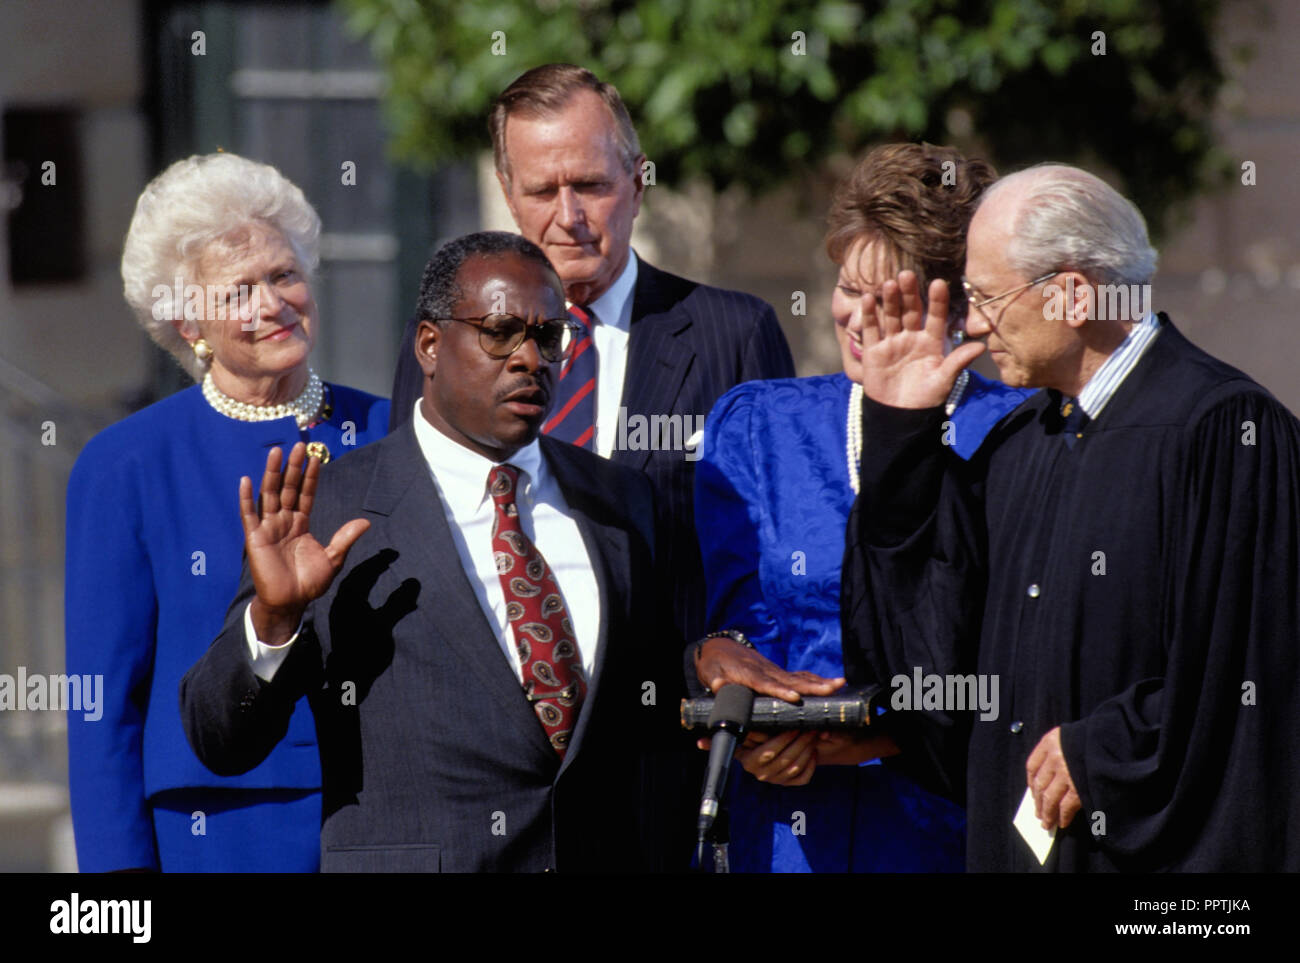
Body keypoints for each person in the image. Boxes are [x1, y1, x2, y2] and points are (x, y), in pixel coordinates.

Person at [841, 163, 1300, 871]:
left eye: (987, 296)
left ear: (1073, 294)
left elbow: (1249, 676)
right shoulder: (1020, 444)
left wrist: (1102, 751)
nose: (971, 322)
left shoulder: (1224, 430)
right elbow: (932, 664)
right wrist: (902, 432)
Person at [180, 232, 678, 872]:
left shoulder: (618, 499)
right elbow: (221, 740)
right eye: (500, 331)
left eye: (549, 336)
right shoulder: (334, 509)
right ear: (430, 346)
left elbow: (650, 706)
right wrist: (273, 622)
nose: (531, 358)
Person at [691, 144, 1033, 872]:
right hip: (782, 827)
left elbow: (1030, 658)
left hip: (942, 829)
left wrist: (885, 734)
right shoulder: (759, 423)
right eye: (849, 285)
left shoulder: (1025, 434)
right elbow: (731, 614)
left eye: (890, 298)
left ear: (957, 303)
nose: (856, 315)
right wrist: (731, 679)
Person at [390, 63, 795, 645]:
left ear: (637, 181)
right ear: (508, 193)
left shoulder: (733, 333)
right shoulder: (444, 340)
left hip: (674, 715)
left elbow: (774, 550)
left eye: (590, 185)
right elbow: (415, 519)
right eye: (541, 191)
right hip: (503, 714)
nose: (568, 216)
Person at [65, 152, 389, 872]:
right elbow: (101, 712)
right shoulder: (126, 465)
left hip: (388, 825)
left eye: (284, 274)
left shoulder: (391, 431)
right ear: (190, 323)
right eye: (240, 290)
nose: (273, 303)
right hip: (216, 838)